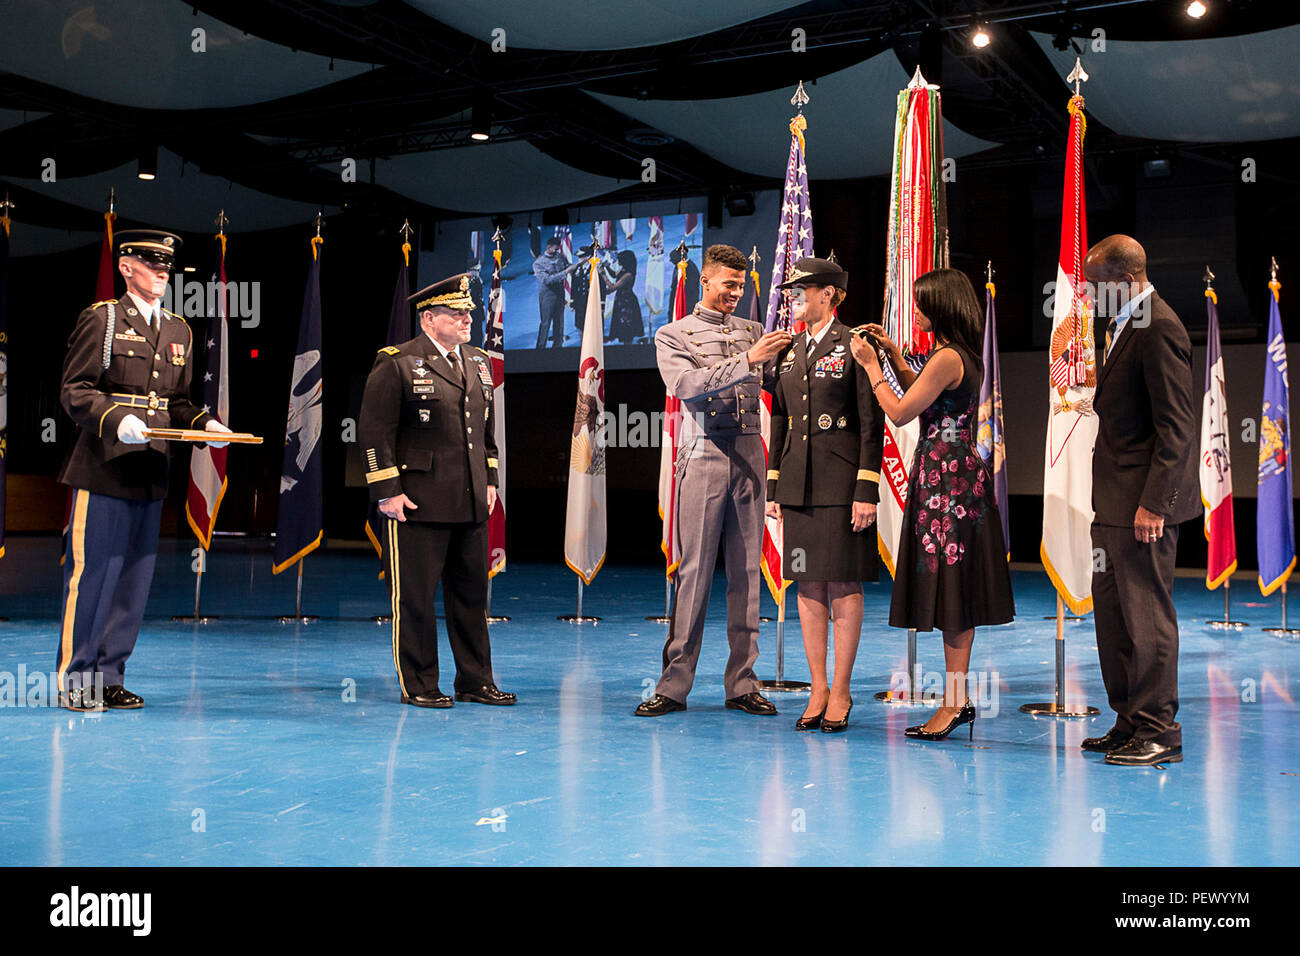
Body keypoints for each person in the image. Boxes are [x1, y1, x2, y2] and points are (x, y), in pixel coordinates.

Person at [56, 229, 233, 712]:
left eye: (166, 264)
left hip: (152, 469)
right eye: (151, 261)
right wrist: (118, 419)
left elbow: (176, 402)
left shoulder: (179, 330)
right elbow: (75, 391)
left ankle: (110, 675)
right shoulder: (105, 319)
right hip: (105, 467)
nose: (162, 270)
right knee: (93, 576)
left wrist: (206, 424)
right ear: (126, 267)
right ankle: (77, 679)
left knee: (134, 579)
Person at [849, 268, 1014, 740]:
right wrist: (896, 357)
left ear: (941, 307)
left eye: (921, 304)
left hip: (949, 487)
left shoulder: (946, 357)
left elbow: (901, 410)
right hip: (952, 477)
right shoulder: (956, 354)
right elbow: (922, 387)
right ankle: (955, 700)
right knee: (952, 592)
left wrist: (870, 366)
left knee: (953, 593)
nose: (915, 311)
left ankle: (955, 702)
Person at [637, 243, 793, 717]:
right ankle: (673, 685)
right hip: (702, 453)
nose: (735, 293)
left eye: (741, 286)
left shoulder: (752, 330)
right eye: (728, 284)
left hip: (748, 453)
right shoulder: (672, 333)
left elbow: (779, 389)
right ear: (704, 281)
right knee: (694, 573)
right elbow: (685, 386)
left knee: (747, 574)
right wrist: (749, 361)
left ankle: (743, 683)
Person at [358, 273, 516, 709]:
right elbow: (374, 434)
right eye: (456, 312)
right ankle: (421, 682)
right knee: (416, 600)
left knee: (470, 599)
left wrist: (489, 482)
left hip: (469, 501)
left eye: (468, 312)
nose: (467, 319)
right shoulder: (397, 362)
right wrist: (387, 490)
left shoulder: (479, 362)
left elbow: (486, 433)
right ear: (429, 319)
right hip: (416, 501)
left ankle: (475, 680)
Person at [1080, 235, 1197, 766]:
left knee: (1147, 617)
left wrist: (1156, 504)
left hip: (1142, 508)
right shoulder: (1121, 323)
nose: (1088, 293)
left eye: (1095, 284)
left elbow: (1177, 428)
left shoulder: (1159, 326)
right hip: (1112, 505)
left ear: (1125, 280)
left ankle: (1159, 732)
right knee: (1114, 616)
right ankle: (1128, 720)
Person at [765, 258, 883, 733]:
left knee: (843, 583)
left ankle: (841, 690)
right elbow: (779, 418)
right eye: (793, 291)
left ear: (829, 295)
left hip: (841, 483)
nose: (794, 298)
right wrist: (774, 483)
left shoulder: (856, 345)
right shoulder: (788, 351)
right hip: (798, 483)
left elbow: (870, 423)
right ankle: (816, 687)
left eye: (803, 290)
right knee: (809, 584)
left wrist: (866, 488)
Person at [533, 236, 580, 349]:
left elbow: (566, 266)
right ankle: (540, 348)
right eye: (555, 249)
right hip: (548, 295)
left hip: (560, 292)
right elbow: (547, 280)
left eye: (558, 249)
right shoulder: (538, 263)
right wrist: (565, 272)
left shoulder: (559, 256)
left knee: (559, 321)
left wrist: (576, 265)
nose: (557, 251)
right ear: (548, 247)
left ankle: (558, 346)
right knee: (546, 323)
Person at [604, 249, 645, 344]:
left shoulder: (628, 275)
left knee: (626, 327)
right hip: (621, 300)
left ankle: (628, 347)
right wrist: (607, 268)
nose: (618, 261)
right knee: (622, 326)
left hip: (626, 302)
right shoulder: (623, 270)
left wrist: (603, 275)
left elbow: (613, 287)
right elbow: (614, 275)